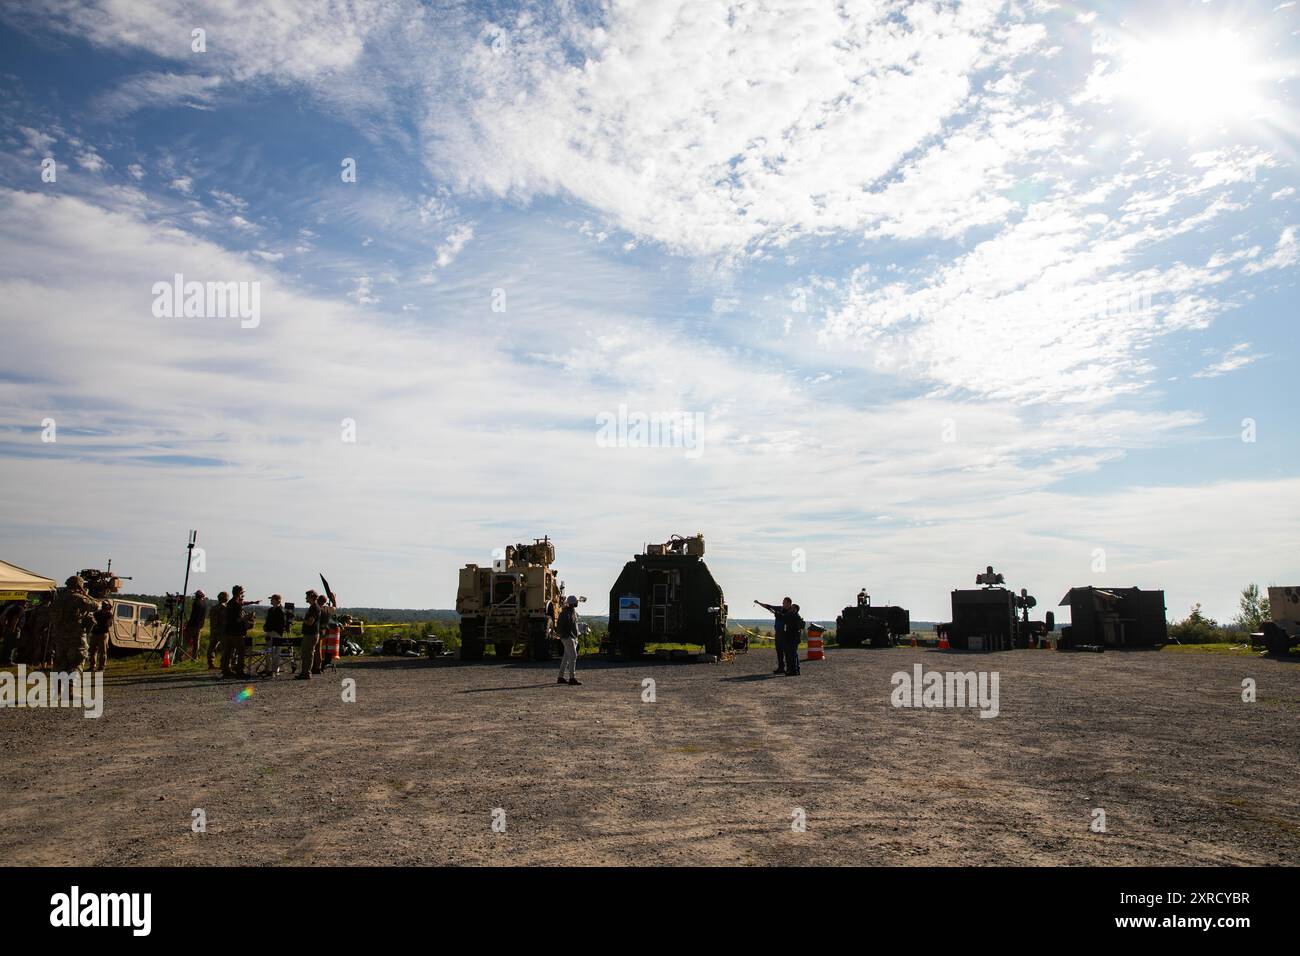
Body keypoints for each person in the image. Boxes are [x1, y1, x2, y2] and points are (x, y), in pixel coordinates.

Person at [49, 576, 97, 672]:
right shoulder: (78, 598)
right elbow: (95, 606)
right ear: (79, 585)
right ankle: (70, 686)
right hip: (75, 637)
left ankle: (59, 685)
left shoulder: (58, 599)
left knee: (60, 664)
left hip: (59, 636)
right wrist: (84, 593)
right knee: (75, 664)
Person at [755, 597, 794, 675]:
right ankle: (781, 668)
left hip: (786, 635)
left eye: (784, 602)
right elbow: (769, 607)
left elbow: (786, 619)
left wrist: (778, 614)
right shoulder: (780, 608)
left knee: (787, 653)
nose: (782, 604)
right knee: (779, 652)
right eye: (783, 602)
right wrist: (759, 603)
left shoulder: (791, 612)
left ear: (789, 603)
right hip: (778, 634)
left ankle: (789, 669)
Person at [221, 585, 251, 678]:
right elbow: (237, 619)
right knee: (241, 652)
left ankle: (226, 670)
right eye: (242, 593)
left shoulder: (230, 603)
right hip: (236, 632)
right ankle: (239, 671)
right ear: (239, 593)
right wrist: (246, 617)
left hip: (228, 631)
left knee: (228, 652)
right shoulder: (237, 605)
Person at [17, 592, 52, 666]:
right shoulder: (46, 608)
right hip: (40, 630)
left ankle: (44, 661)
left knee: (44, 646)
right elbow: (31, 620)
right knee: (41, 646)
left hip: (44, 630)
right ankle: (38, 661)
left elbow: (31, 620)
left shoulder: (46, 608)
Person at [296, 589, 320, 680]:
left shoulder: (315, 608)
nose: (306, 598)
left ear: (311, 597)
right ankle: (304, 672)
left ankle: (306, 673)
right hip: (309, 634)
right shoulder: (312, 607)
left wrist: (301, 620)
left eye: (307, 596)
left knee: (308, 654)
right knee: (306, 654)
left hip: (311, 634)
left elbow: (310, 622)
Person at [557, 594, 581, 686]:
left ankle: (560, 677)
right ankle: (572, 678)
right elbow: (570, 625)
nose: (577, 603)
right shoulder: (568, 613)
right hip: (568, 637)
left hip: (567, 637)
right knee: (573, 656)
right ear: (573, 604)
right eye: (576, 602)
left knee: (566, 657)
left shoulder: (568, 612)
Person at [263, 594, 289, 677]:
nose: (271, 600)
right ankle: (268, 669)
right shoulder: (270, 610)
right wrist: (265, 627)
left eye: (272, 599)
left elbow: (282, 623)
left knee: (276, 653)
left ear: (278, 600)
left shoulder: (281, 611)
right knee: (268, 651)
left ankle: (274, 670)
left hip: (276, 633)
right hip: (269, 633)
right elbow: (268, 620)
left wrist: (275, 630)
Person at [88, 600, 113, 672]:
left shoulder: (109, 614)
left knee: (103, 651)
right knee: (92, 651)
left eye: (105, 604)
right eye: (103, 604)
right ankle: (92, 666)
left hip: (103, 634)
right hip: (95, 633)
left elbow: (108, 624)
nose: (103, 605)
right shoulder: (97, 613)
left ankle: (101, 667)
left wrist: (97, 625)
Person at [207, 591, 229, 669]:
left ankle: (210, 663)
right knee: (225, 648)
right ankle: (223, 664)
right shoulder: (225, 608)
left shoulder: (213, 608)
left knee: (212, 647)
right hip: (222, 631)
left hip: (213, 630)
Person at [184, 589, 207, 659]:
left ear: (198, 596)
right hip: (199, 626)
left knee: (186, 642)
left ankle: (179, 656)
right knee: (196, 643)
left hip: (192, 626)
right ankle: (195, 657)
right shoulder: (204, 604)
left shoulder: (196, 603)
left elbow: (193, 615)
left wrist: (188, 625)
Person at [785, 603, 805, 676]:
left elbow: (786, 619)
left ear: (795, 609)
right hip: (793, 638)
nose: (790, 608)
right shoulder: (794, 616)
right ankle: (795, 670)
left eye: (792, 607)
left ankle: (794, 671)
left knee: (792, 655)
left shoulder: (795, 616)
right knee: (793, 654)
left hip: (793, 638)